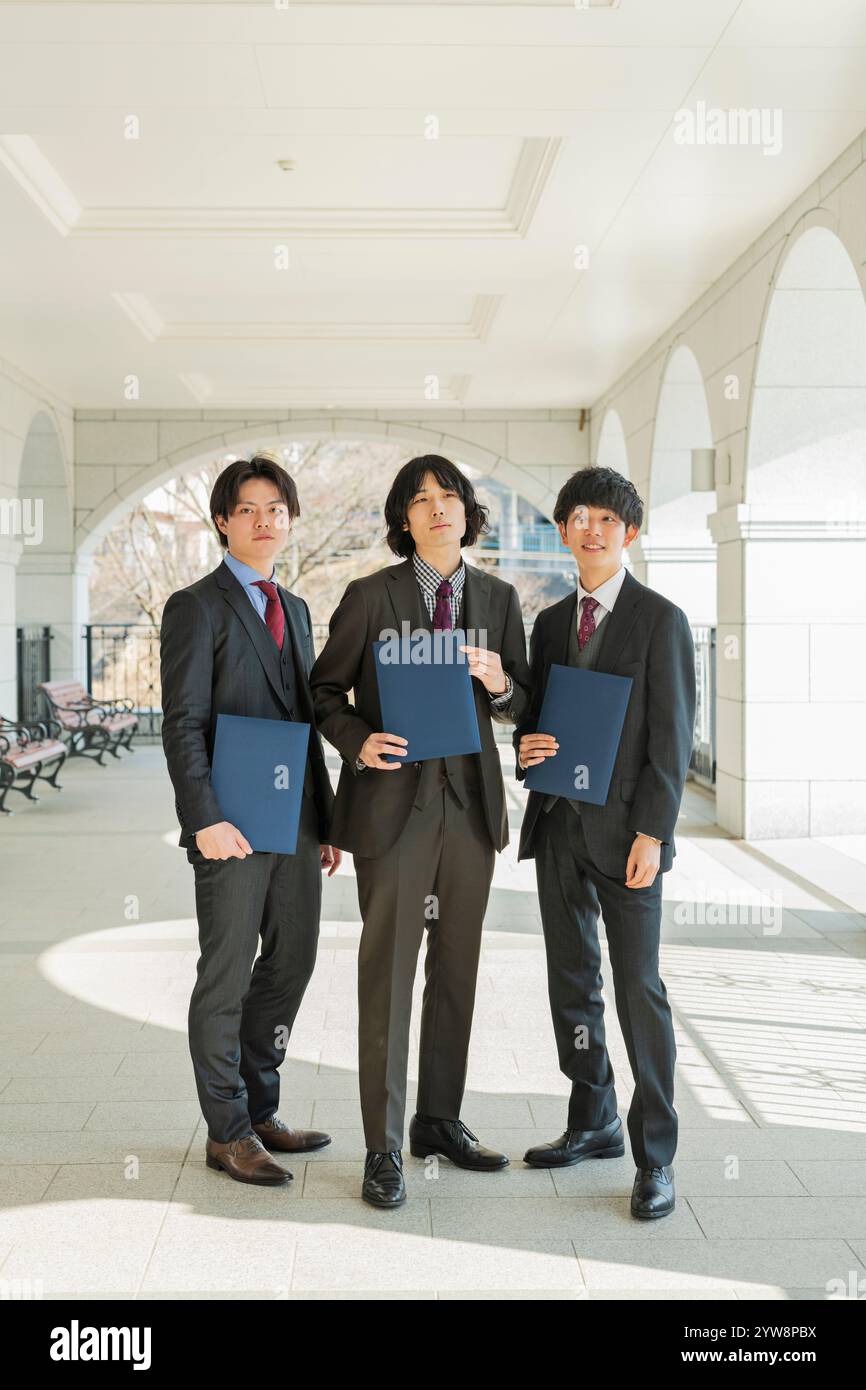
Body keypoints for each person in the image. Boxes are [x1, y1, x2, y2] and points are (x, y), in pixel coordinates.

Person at [310, 454, 532, 1208]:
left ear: (471, 512)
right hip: (394, 809)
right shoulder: (372, 596)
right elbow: (323, 691)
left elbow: (520, 700)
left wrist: (501, 681)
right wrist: (356, 740)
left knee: (457, 973)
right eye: (420, 499)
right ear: (402, 519)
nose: (438, 509)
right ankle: (383, 1147)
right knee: (390, 976)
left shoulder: (499, 598)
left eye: (450, 497)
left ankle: (438, 1120)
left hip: (470, 808)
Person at [514, 466, 696, 1220]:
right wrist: (525, 743)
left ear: (630, 532)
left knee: (638, 989)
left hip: (628, 836)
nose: (591, 529)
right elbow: (537, 717)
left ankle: (655, 1156)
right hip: (560, 824)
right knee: (572, 981)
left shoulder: (661, 619)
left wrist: (654, 831)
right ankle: (592, 1118)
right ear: (562, 530)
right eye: (578, 517)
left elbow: (673, 737)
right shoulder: (551, 622)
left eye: (607, 520)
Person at [160, 454, 340, 1187]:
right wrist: (203, 818)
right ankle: (227, 1130)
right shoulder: (195, 607)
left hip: (294, 818)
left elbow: (303, 718)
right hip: (228, 824)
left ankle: (262, 1108)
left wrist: (325, 822)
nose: (266, 521)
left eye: (277, 509)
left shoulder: (293, 608)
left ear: (290, 520)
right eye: (249, 509)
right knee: (226, 975)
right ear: (222, 523)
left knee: (291, 964)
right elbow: (182, 723)